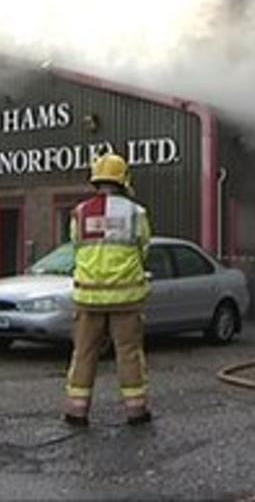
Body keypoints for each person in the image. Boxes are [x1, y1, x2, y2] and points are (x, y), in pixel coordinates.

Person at [62, 153, 153, 427]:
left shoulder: (80, 213)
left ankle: (77, 411)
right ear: (124, 179)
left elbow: (76, 247)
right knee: (128, 353)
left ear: (96, 180)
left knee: (83, 354)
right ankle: (136, 411)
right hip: (126, 298)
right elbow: (144, 249)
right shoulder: (136, 213)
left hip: (88, 298)